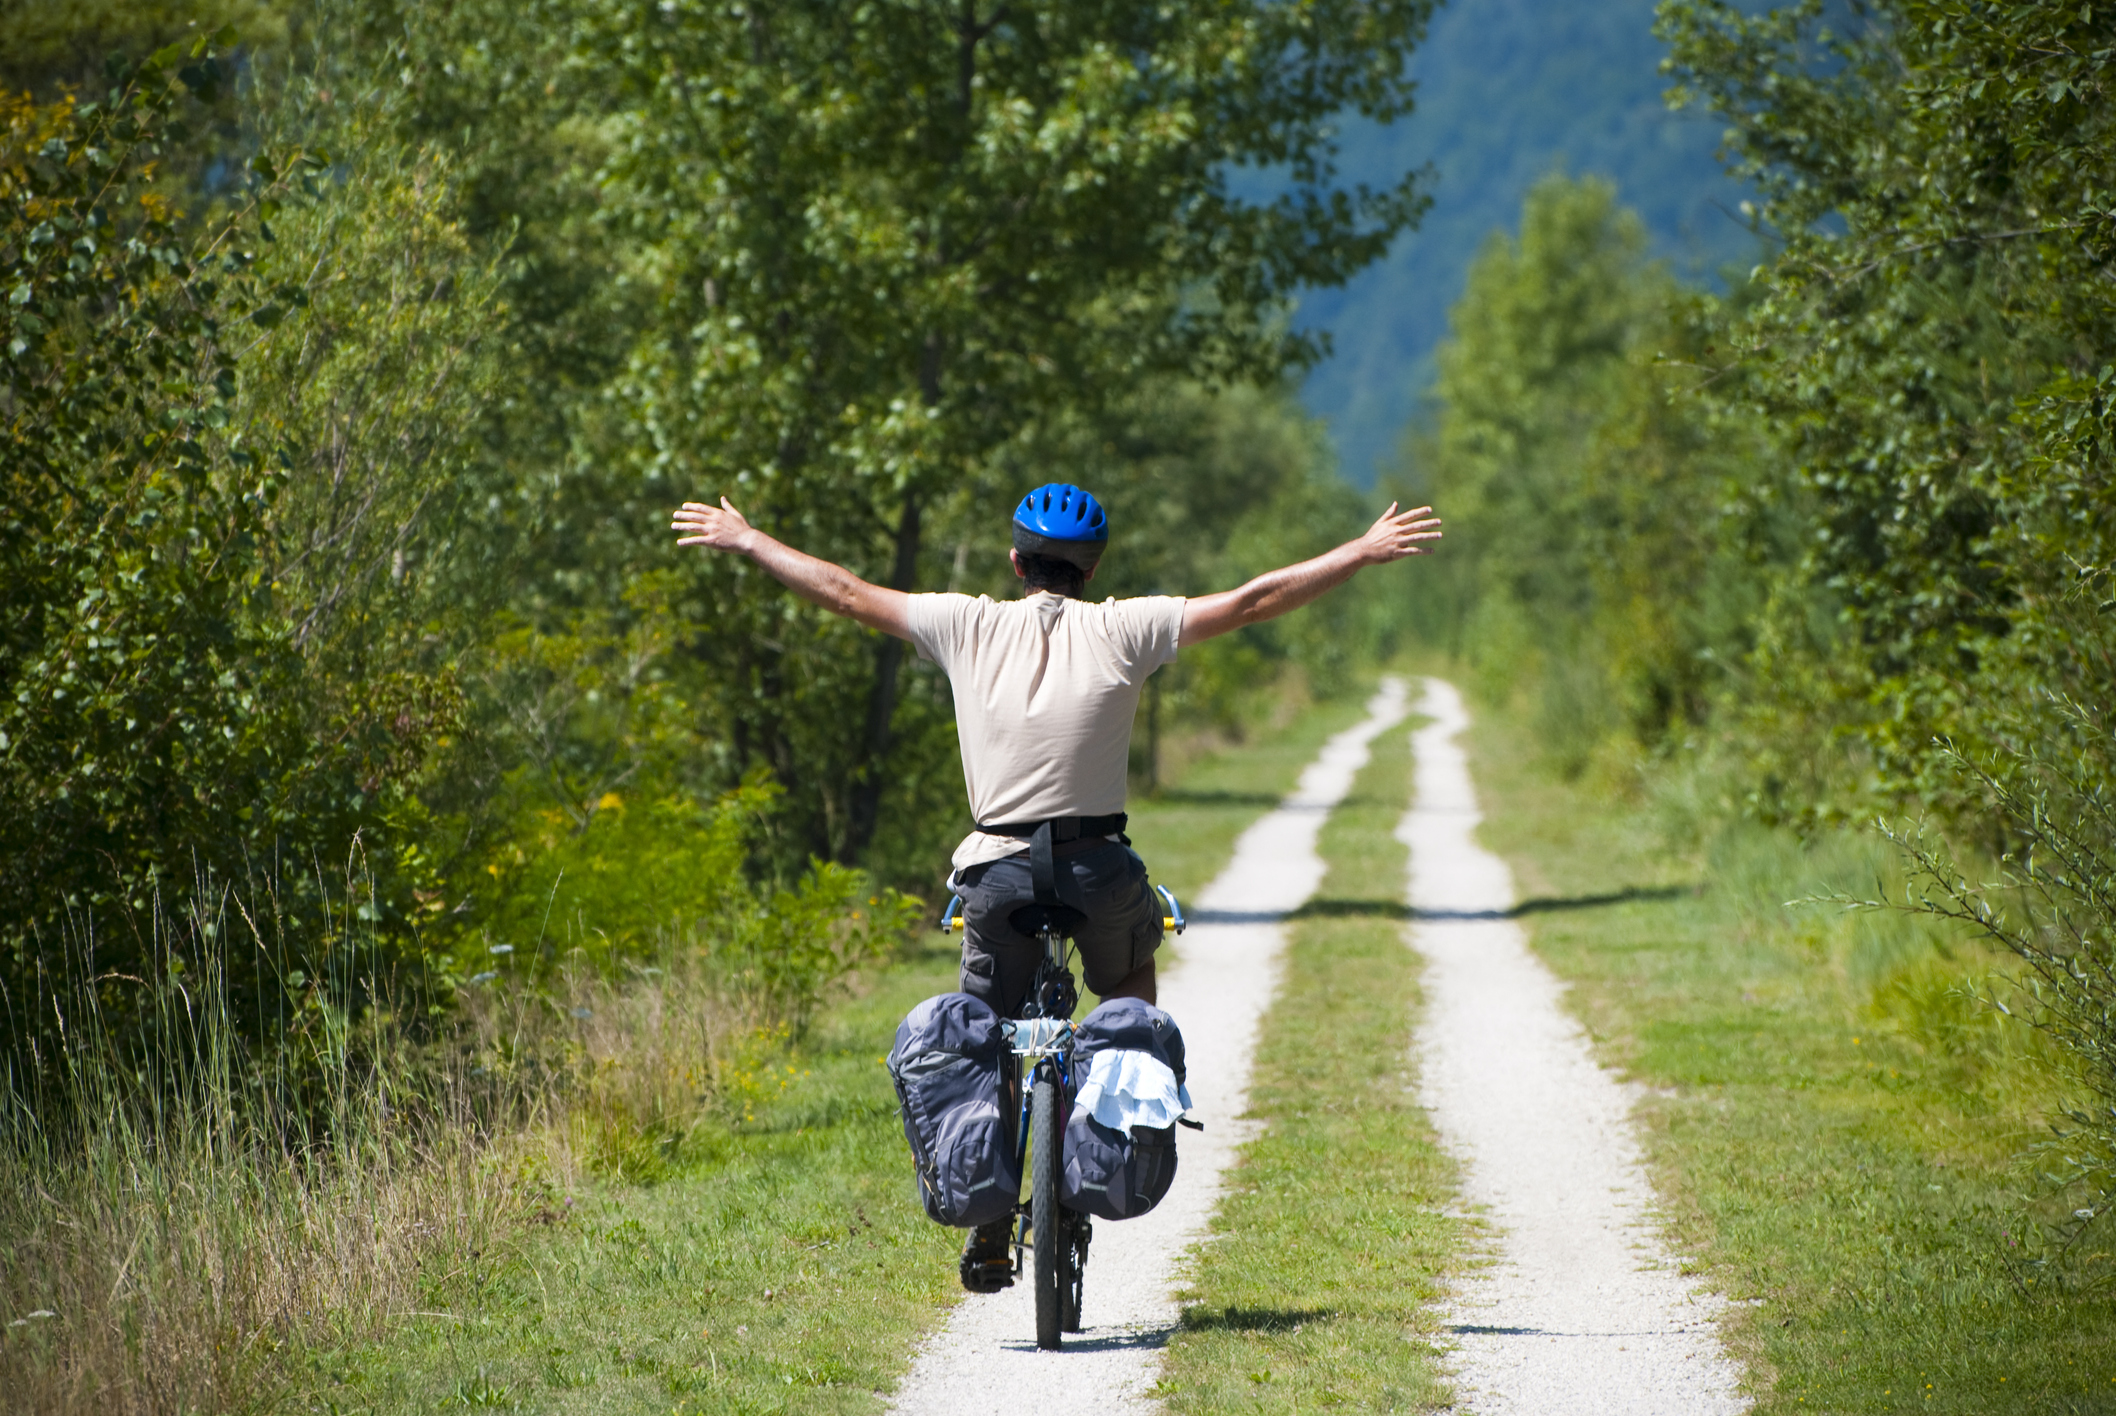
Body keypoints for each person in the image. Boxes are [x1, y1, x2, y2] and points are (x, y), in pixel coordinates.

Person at [672, 482, 1440, 1289]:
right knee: (1128, 998)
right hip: (1098, 868)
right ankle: (1097, 1149)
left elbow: (845, 592)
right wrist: (1359, 551)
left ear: (1015, 562)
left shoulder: (964, 623)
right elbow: (1252, 601)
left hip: (996, 873)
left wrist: (749, 538)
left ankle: (990, 1222)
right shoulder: (1126, 626)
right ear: (1094, 567)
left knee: (989, 1033)